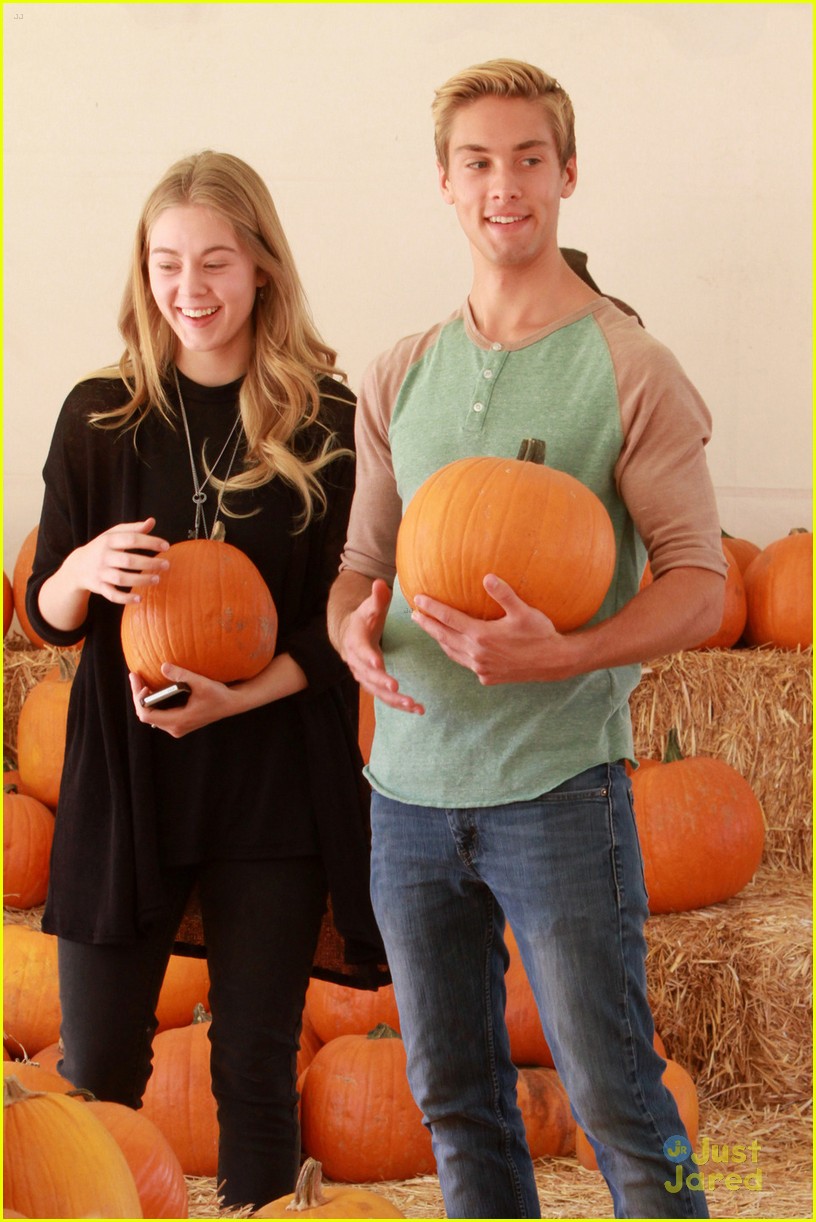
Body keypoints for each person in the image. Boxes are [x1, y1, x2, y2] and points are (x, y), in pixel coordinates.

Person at [327, 59, 726, 1219]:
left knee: (622, 1107)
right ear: (445, 184)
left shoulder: (630, 368)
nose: (505, 184)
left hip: (557, 793)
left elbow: (701, 586)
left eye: (529, 159)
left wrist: (554, 655)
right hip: (405, 795)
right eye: (479, 162)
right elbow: (363, 564)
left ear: (567, 173)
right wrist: (351, 629)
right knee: (453, 1097)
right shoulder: (400, 371)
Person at [26, 150, 387, 1210]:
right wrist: (81, 571)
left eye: (216, 262)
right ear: (144, 271)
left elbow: (346, 618)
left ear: (264, 266)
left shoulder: (325, 419)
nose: (190, 289)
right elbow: (50, 614)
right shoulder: (98, 413)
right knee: (93, 1074)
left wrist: (244, 694)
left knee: (255, 1072)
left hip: (269, 772)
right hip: (124, 772)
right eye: (167, 262)